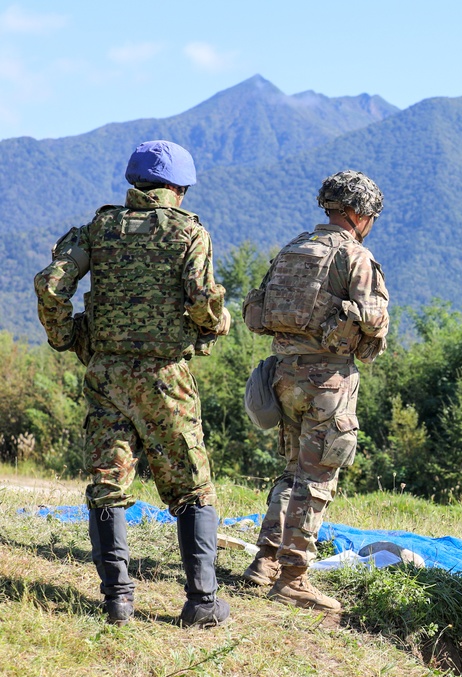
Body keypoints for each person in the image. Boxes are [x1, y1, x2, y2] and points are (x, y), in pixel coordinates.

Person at [33, 140, 232, 627]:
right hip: (166, 378)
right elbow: (204, 297)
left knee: (108, 483)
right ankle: (202, 603)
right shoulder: (188, 233)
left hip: (107, 375)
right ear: (178, 189)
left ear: (134, 183)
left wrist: (69, 336)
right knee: (191, 486)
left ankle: (118, 601)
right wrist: (216, 324)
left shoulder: (98, 228)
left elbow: (51, 283)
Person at [240, 170, 390, 614]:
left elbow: (259, 308)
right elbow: (376, 323)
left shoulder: (293, 249)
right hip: (328, 384)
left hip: (283, 376)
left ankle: (264, 560)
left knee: (291, 471)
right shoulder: (354, 256)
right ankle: (294, 577)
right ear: (360, 214)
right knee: (317, 478)